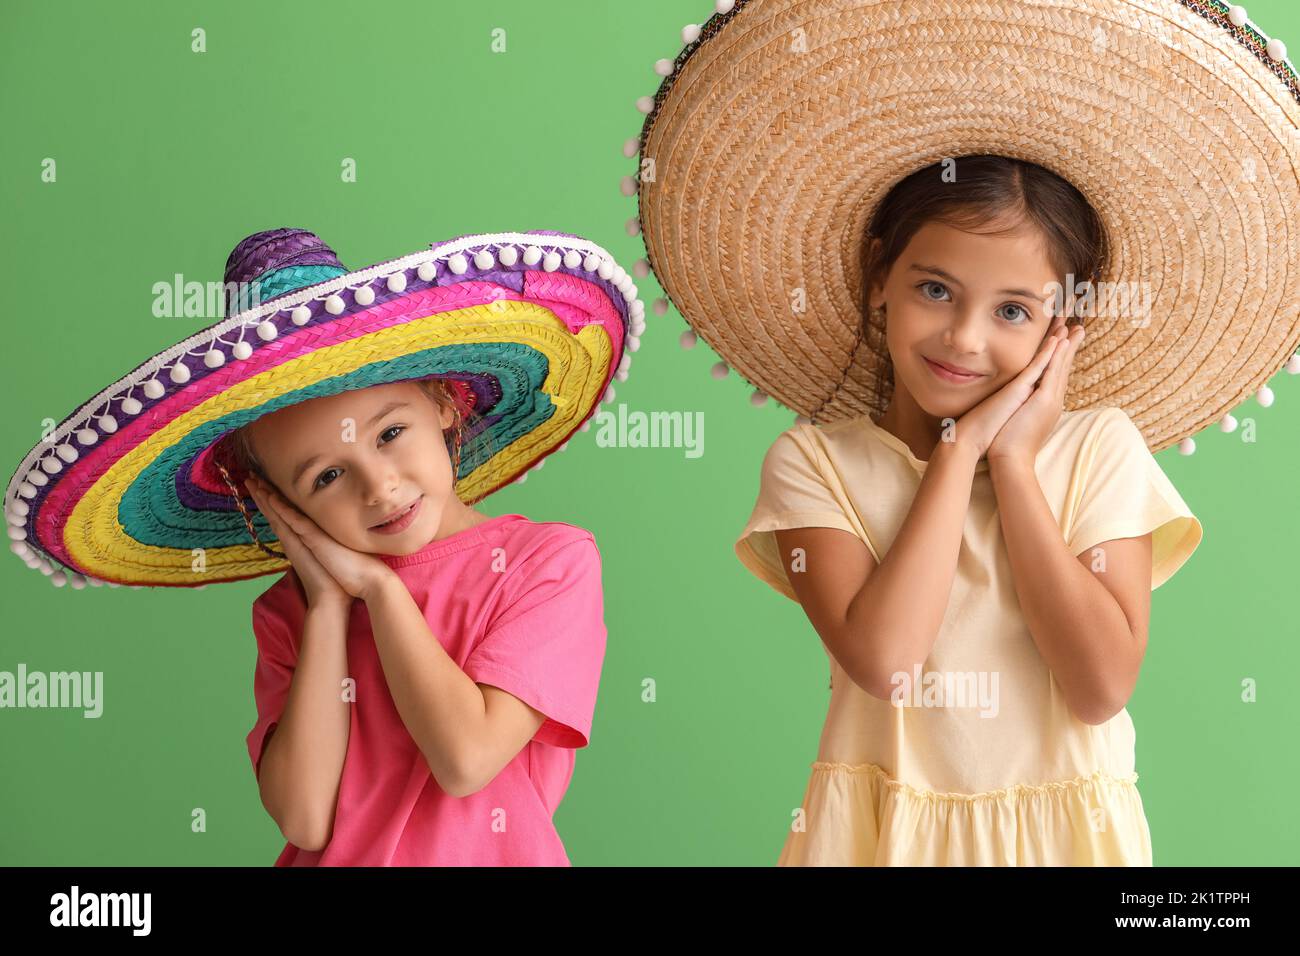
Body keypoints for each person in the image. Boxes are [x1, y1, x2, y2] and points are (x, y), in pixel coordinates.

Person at [627, 0, 1300, 863]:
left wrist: (1013, 466)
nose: (964, 338)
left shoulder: (1096, 452)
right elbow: (886, 660)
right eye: (935, 289)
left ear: (1063, 329)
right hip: (882, 839)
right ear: (880, 277)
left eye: (1013, 310)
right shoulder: (817, 464)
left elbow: (1099, 688)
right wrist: (958, 455)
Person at [6, 226, 641, 865]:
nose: (379, 485)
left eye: (390, 432)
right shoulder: (292, 614)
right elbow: (307, 819)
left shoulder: (546, 564)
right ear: (278, 502)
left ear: (445, 402)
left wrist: (381, 591)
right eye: (327, 476)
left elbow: (467, 757)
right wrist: (330, 610)